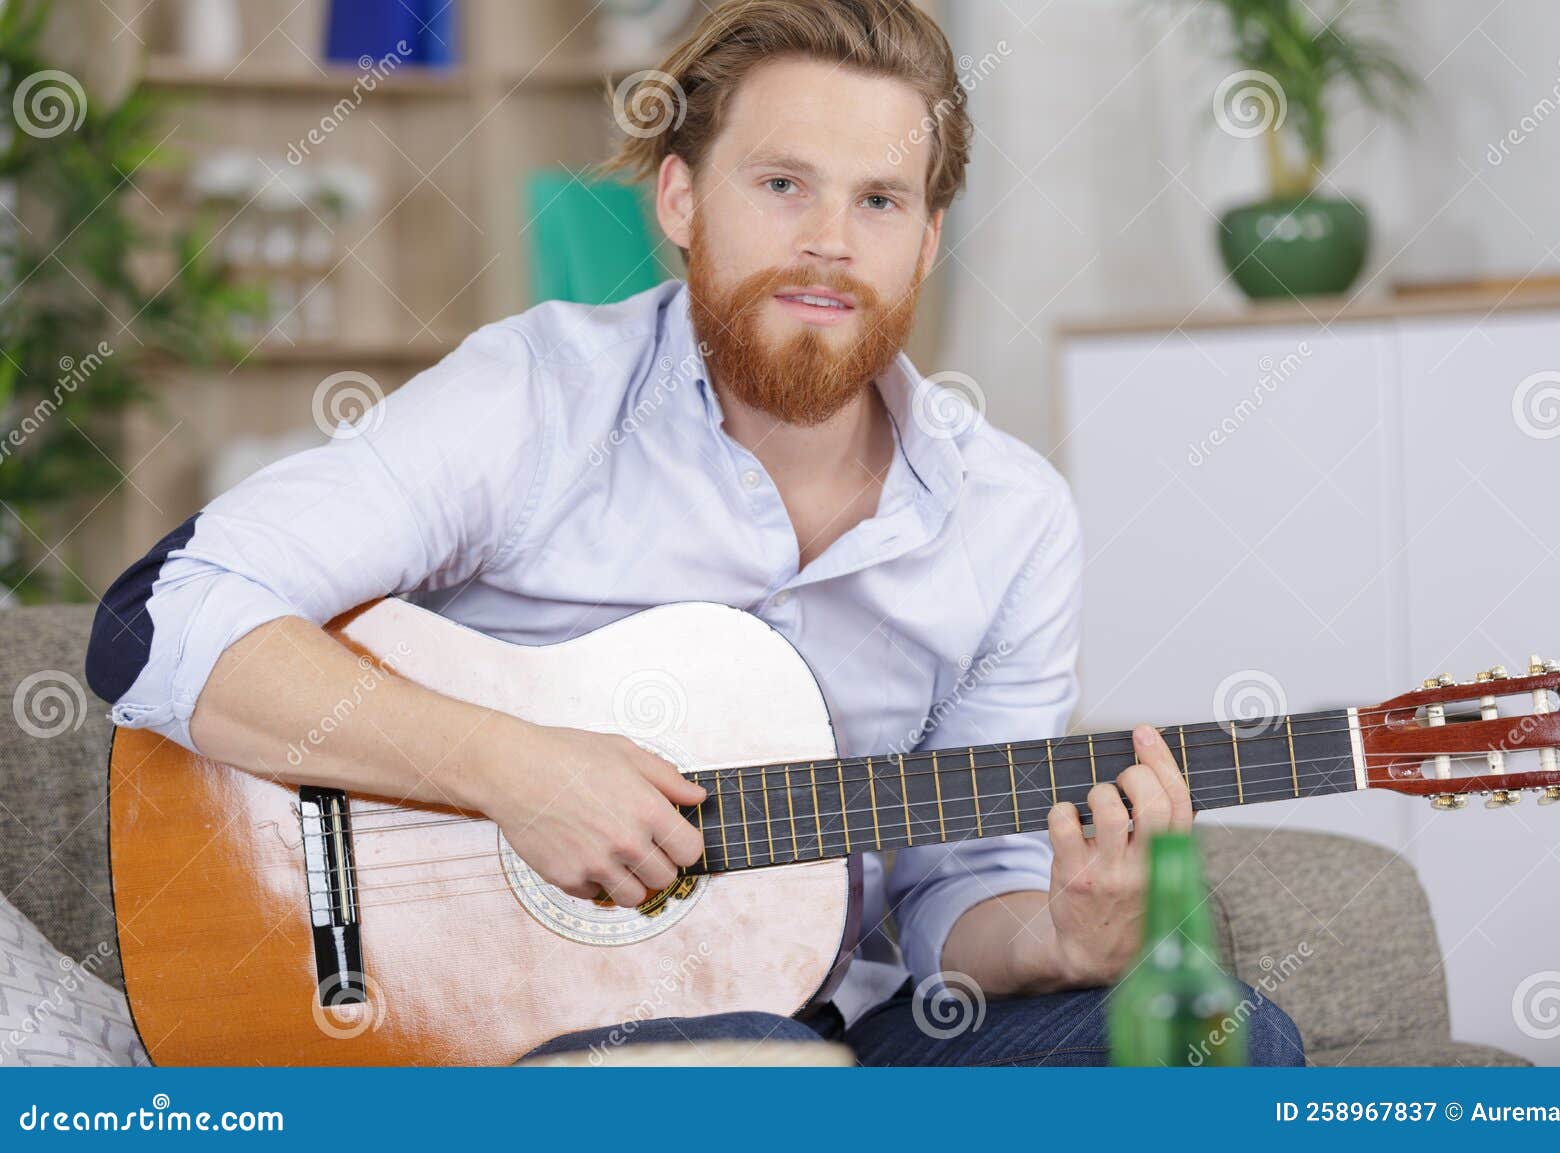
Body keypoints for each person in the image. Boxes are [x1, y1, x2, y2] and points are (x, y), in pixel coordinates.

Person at [86, 0, 1303, 1066]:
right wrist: (514, 768)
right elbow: (165, 616)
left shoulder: (1013, 516)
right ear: (681, 196)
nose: (830, 239)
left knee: (1223, 1045)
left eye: (879, 199)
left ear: (927, 240)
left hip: (846, 1027)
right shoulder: (536, 395)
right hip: (521, 1026)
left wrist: (1055, 936)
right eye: (782, 185)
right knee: (748, 1069)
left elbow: (954, 895)